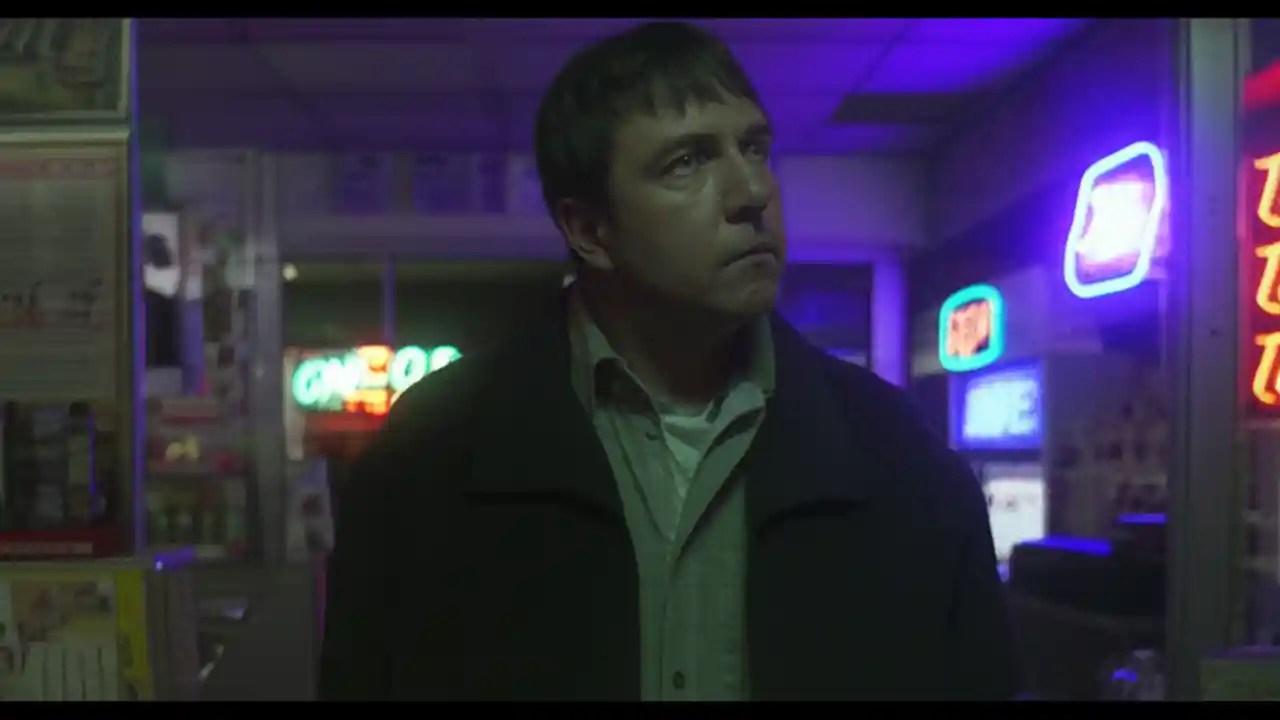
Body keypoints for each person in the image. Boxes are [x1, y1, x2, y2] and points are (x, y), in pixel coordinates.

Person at [319, 20, 1021, 701]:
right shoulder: (437, 450)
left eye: (754, 148)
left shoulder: (898, 455)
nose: (752, 193)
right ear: (589, 229)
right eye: (687, 162)